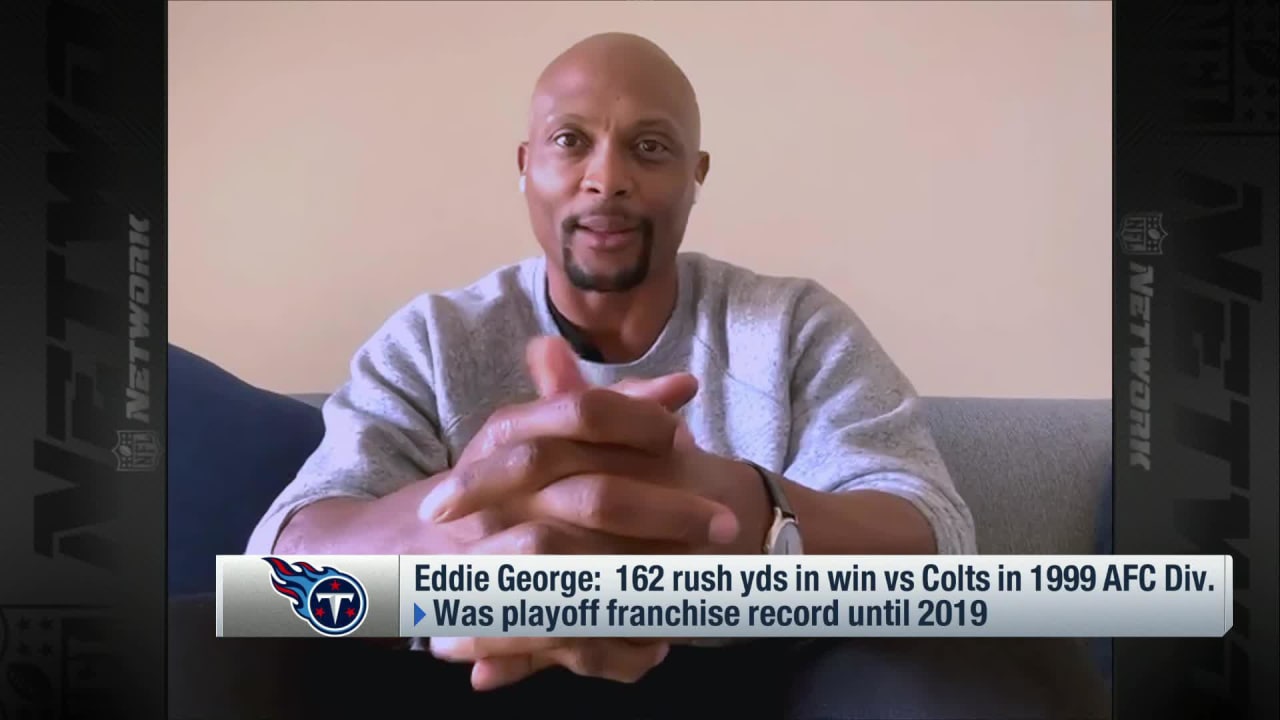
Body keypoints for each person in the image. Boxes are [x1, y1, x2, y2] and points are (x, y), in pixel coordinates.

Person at [228, 32, 1105, 720]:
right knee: (196, 640)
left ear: (696, 175)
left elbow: (940, 545)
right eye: (571, 142)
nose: (606, 178)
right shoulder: (432, 338)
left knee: (1010, 650)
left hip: (755, 688)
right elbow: (278, 567)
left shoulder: (791, 327)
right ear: (525, 165)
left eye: (649, 147)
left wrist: (747, 515)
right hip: (478, 678)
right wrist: (453, 534)